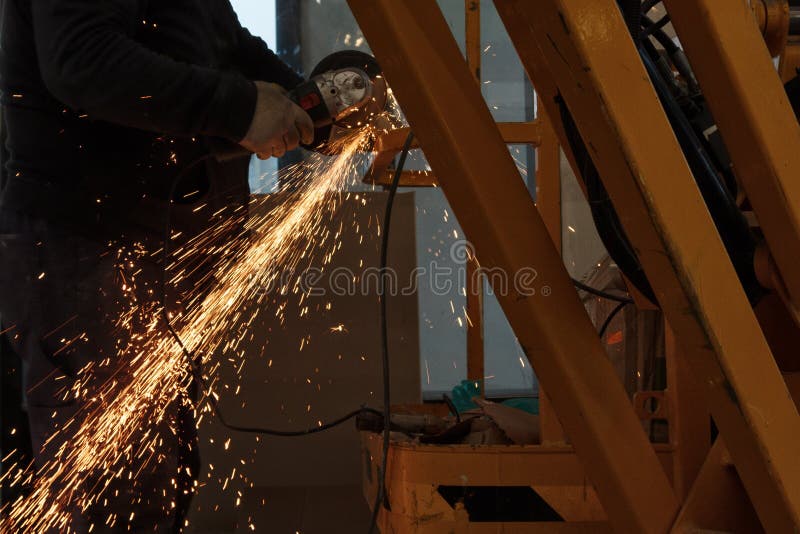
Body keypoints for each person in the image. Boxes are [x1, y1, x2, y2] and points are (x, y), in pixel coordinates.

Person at [0, 1, 314, 531]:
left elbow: (222, 41)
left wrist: (314, 101)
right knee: (114, 492)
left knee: (160, 474)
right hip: (89, 241)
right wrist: (238, 109)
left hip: (150, 247)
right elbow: (82, 57)